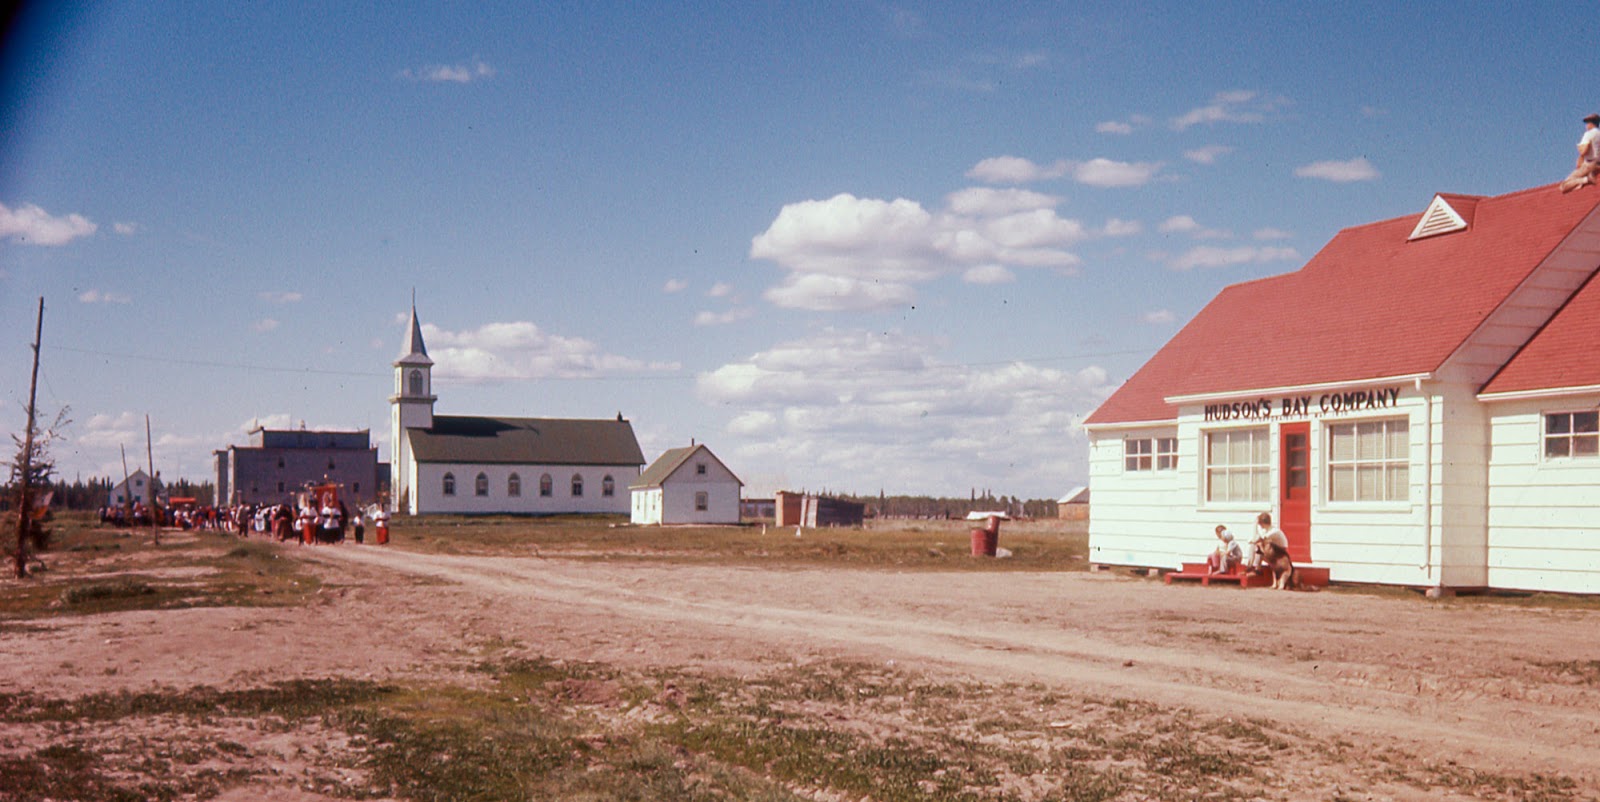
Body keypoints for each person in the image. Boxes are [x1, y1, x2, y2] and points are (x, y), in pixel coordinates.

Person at [1561, 113, 1600, 193]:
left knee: (1564, 186)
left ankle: (1587, 180)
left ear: (1590, 123)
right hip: (1597, 164)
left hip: (1590, 164)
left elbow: (1584, 150)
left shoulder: (1589, 134)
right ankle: (1586, 179)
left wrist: (1580, 153)